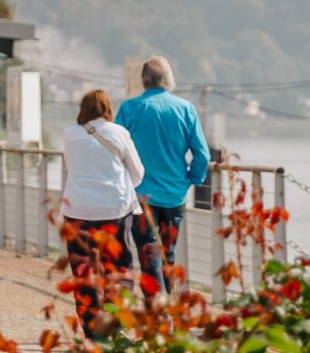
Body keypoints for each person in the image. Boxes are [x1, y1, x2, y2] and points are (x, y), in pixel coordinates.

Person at [114, 56, 211, 294]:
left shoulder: (130, 109)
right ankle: (167, 311)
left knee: (149, 254)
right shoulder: (185, 109)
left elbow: (116, 152)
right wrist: (192, 179)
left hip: (141, 197)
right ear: (168, 78)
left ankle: (158, 315)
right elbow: (203, 155)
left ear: (143, 80)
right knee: (168, 254)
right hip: (175, 195)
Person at [60, 89, 145, 324]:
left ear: (83, 109)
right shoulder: (119, 132)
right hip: (114, 211)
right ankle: (116, 321)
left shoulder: (70, 134)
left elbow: (71, 167)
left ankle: (90, 328)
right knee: (119, 267)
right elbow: (137, 173)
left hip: (77, 210)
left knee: (82, 270)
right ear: (108, 109)